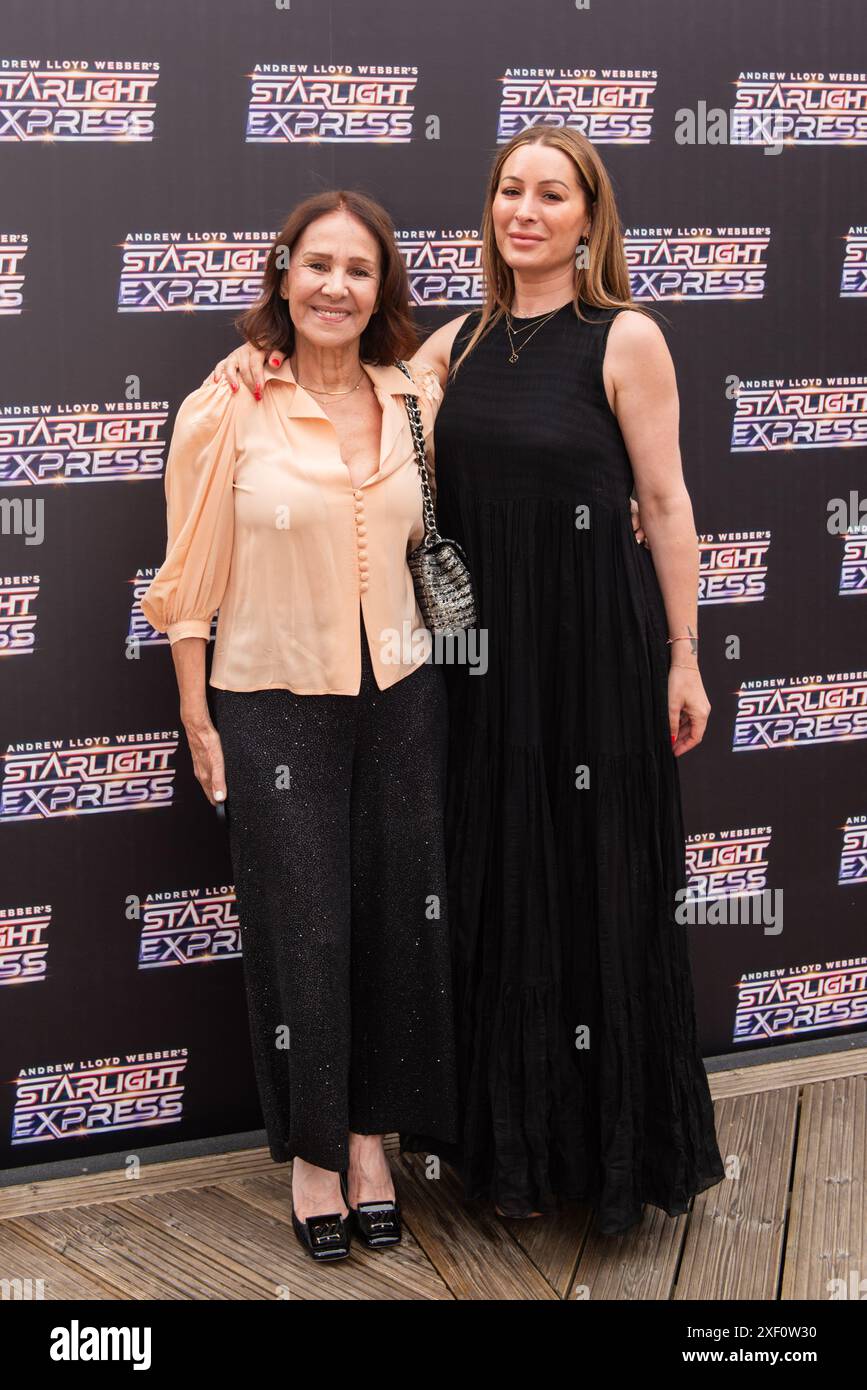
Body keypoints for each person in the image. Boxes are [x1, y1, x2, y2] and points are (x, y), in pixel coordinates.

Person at [212, 127, 721, 1238]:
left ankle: (610, 1159)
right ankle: (509, 1157)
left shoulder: (628, 338)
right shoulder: (458, 344)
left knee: (595, 892)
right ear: (490, 207)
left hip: (593, 663)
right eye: (509, 191)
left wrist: (685, 651)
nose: (526, 210)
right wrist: (253, 362)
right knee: (501, 899)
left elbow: (670, 504)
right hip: (481, 681)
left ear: (591, 219)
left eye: (553, 195)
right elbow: (340, 381)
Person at [141, 190, 461, 1260]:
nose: (335, 286)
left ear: (384, 290)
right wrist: (196, 712)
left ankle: (373, 1140)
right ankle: (314, 1158)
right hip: (272, 700)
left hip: (407, 694)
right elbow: (187, 577)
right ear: (283, 276)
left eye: (359, 269)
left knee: (394, 926)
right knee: (304, 933)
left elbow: (495, 341)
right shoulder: (224, 406)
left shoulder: (414, 394)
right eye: (315, 265)